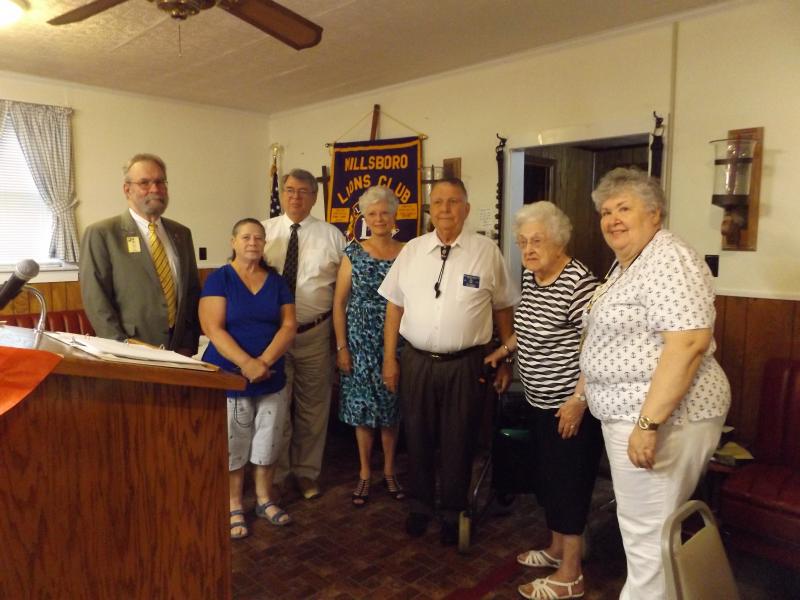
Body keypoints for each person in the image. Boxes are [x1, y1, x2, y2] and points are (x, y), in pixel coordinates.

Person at [580, 167, 731, 599]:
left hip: (663, 419)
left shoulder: (668, 258)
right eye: (606, 212)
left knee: (648, 538)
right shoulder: (630, 262)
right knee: (646, 533)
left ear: (654, 213)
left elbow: (688, 342)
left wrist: (648, 424)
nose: (612, 219)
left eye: (624, 208)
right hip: (637, 415)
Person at [379, 177, 520, 546]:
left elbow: (503, 307)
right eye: (438, 201)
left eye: (453, 201)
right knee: (417, 435)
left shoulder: (486, 251)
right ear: (430, 209)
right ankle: (420, 506)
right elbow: (394, 308)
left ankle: (453, 510)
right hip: (416, 361)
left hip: (467, 363)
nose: (445, 209)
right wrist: (390, 359)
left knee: (460, 438)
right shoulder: (412, 251)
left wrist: (507, 360)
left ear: (466, 209)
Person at [485, 201, 601, 600]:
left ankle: (571, 575)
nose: (528, 249)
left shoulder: (580, 284)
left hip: (568, 407)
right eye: (522, 242)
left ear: (559, 240)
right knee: (548, 479)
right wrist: (504, 350)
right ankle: (555, 549)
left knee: (569, 485)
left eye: (537, 241)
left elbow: (596, 348)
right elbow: (528, 327)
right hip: (539, 401)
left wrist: (578, 400)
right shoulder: (534, 277)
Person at [199, 218, 296, 539]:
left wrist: (263, 363)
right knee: (234, 443)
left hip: (271, 375)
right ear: (233, 242)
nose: (252, 242)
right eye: (245, 237)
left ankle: (264, 499)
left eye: (258, 238)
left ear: (265, 243)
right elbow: (213, 328)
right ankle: (233, 504)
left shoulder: (277, 281)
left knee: (269, 440)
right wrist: (246, 364)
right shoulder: (219, 279)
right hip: (230, 377)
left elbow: (288, 325)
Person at [263, 168, 347, 500]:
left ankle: (307, 473)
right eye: (289, 190)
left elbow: (344, 292)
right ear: (282, 194)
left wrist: (340, 342)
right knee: (277, 408)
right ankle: (279, 474)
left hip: (315, 334)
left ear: (314, 197)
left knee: (314, 409)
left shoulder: (333, 237)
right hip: (272, 336)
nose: (295, 197)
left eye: (303, 191)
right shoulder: (263, 233)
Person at [79, 153, 201, 355]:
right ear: (127, 189)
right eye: (144, 183)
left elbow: (191, 292)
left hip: (178, 350)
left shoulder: (181, 234)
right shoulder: (103, 234)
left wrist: (188, 342)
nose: (155, 189)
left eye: (160, 182)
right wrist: (119, 347)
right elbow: (96, 299)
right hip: (129, 350)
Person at [332, 186, 405, 507]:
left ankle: (389, 470)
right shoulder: (353, 252)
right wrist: (341, 348)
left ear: (394, 215)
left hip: (397, 339)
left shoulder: (408, 252)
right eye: (372, 213)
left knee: (391, 407)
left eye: (384, 212)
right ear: (364, 217)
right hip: (359, 341)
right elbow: (339, 303)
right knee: (362, 408)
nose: (379, 218)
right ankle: (364, 471)